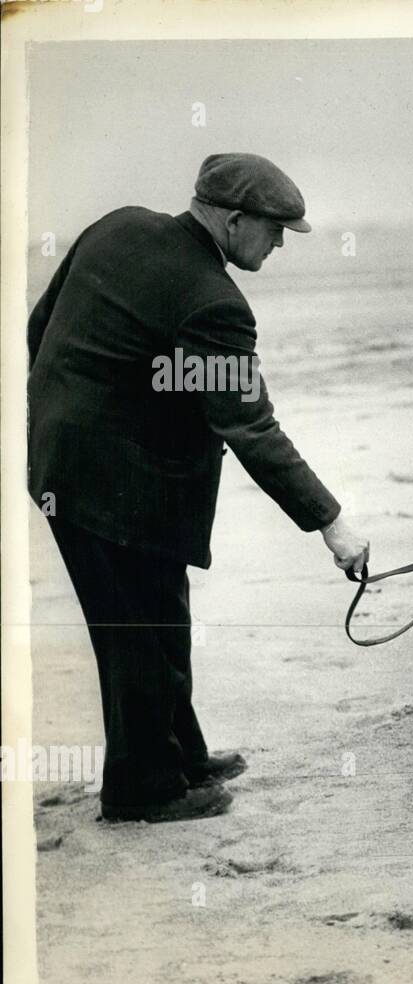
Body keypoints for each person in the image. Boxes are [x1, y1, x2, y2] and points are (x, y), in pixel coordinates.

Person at [27, 153, 371, 823]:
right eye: (275, 231)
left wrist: (86, 402)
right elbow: (250, 428)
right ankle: (142, 788)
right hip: (107, 479)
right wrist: (332, 523)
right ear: (236, 220)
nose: (278, 245)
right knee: (135, 626)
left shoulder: (119, 225)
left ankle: (182, 753)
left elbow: (40, 328)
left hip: (66, 460)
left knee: (159, 607)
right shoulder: (215, 303)